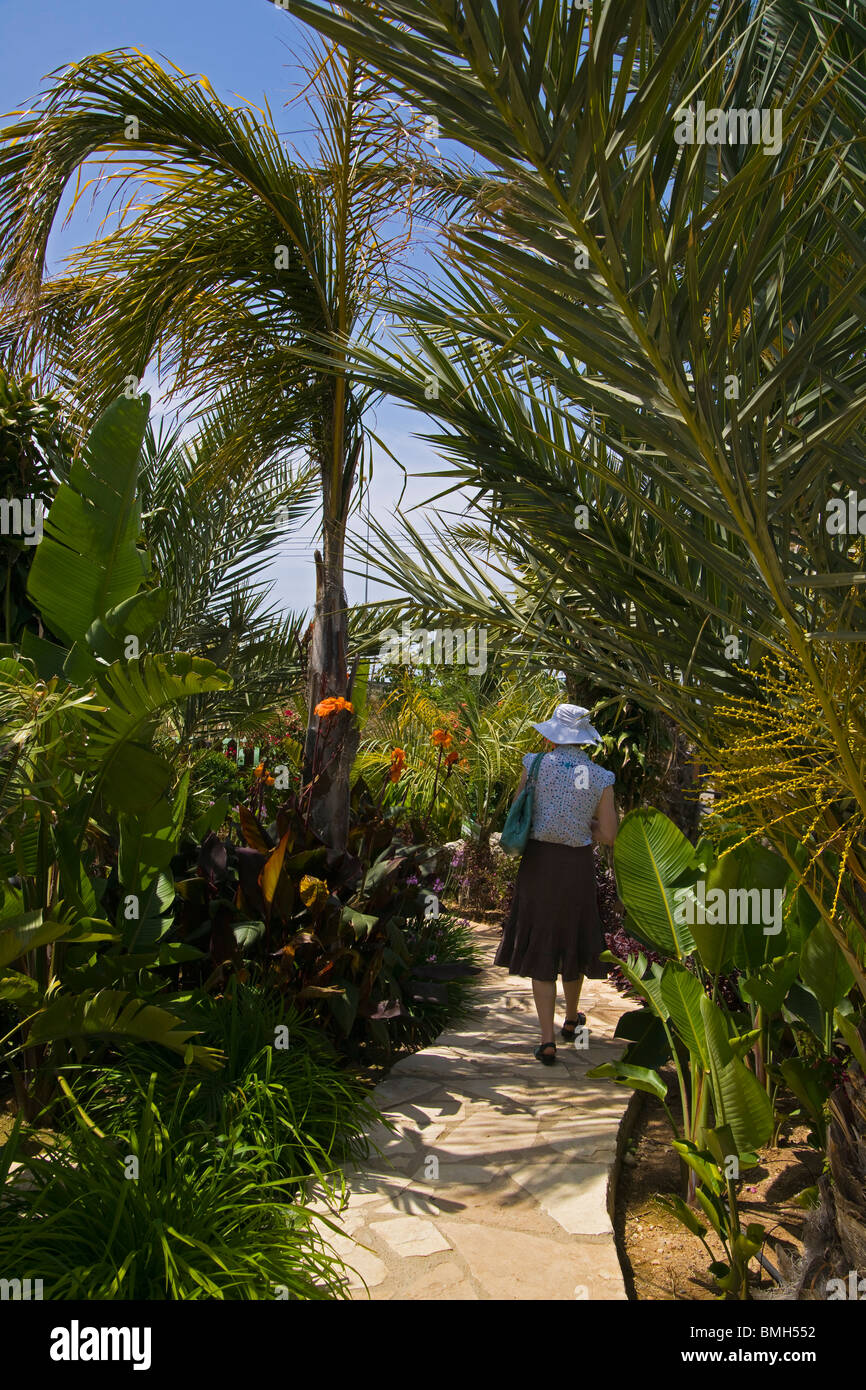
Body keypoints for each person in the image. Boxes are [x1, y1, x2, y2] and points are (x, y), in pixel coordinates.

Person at [493, 702, 619, 1065]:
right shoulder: (600, 776)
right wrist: (585, 825)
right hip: (576, 866)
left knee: (542, 944)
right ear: (583, 738)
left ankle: (546, 1040)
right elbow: (609, 835)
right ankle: (571, 1020)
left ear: (555, 733)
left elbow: (521, 809)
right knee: (573, 940)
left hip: (538, 863)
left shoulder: (533, 764)